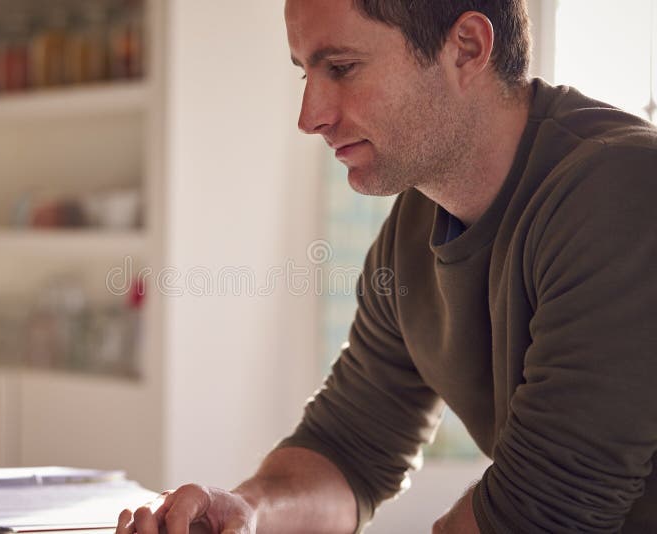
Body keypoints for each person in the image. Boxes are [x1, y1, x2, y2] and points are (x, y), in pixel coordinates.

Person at [117, 0, 657, 532]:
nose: (310, 117)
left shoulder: (625, 190)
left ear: (466, 49)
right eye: (306, 73)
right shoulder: (418, 220)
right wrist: (249, 510)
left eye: (342, 68)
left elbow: (543, 511)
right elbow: (348, 448)